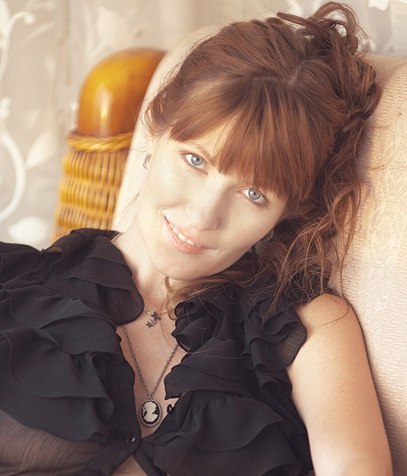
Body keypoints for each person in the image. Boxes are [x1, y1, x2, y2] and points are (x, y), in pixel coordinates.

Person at [0, 2, 392, 475]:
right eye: (196, 161)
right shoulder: (10, 285)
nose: (204, 216)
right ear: (156, 129)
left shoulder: (310, 328)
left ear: (288, 210)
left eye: (254, 193)